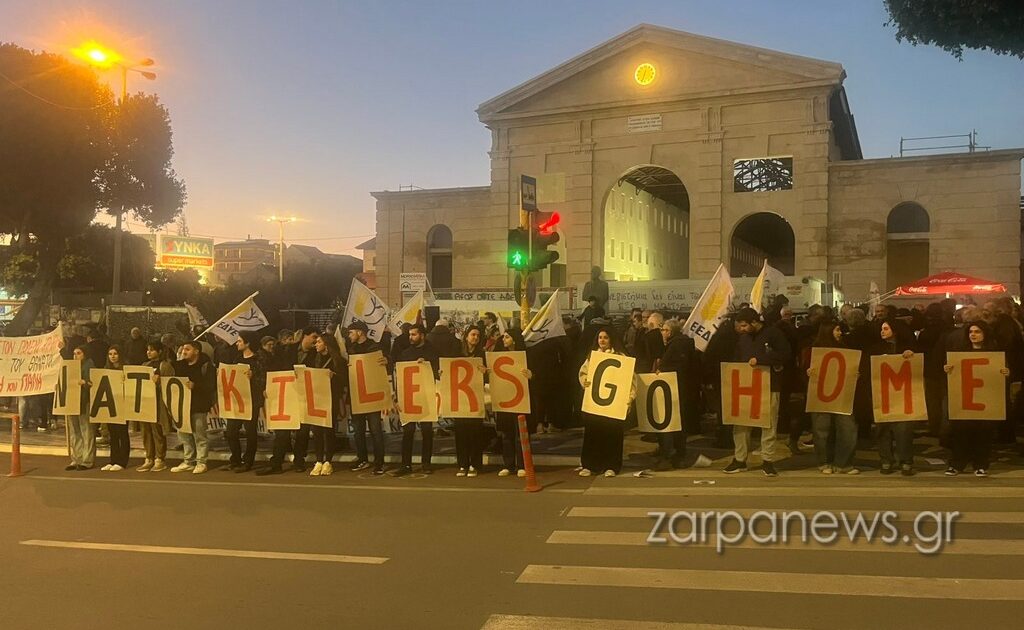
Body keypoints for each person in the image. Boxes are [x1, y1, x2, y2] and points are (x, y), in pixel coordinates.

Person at [723, 308, 791, 477]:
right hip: (746, 386)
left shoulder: (773, 333)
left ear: (754, 322)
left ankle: (767, 460)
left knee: (768, 424)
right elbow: (737, 358)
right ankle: (740, 459)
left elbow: (785, 354)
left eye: (745, 325)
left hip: (769, 385)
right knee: (740, 422)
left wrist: (760, 360)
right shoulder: (743, 339)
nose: (742, 329)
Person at [943, 321, 1007, 477]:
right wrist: (947, 369)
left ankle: (980, 464)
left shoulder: (994, 352)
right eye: (971, 331)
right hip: (965, 400)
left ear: (985, 334)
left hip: (986, 399)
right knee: (960, 433)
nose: (973, 334)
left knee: (983, 433)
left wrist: (1005, 372)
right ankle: (957, 464)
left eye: (977, 331)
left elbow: (1001, 372)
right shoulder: (960, 352)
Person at [258, 327, 319, 475]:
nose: (316, 341)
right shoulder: (285, 350)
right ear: (304, 336)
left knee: (302, 431)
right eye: (313, 337)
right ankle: (276, 463)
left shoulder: (316, 354)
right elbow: (272, 368)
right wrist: (267, 387)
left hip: (304, 396)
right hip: (285, 395)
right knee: (282, 431)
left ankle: (299, 461)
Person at [578, 326, 635, 477]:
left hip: (614, 405)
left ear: (611, 340)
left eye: (605, 337)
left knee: (612, 435)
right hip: (595, 404)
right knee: (592, 434)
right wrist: (585, 382)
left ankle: (611, 466)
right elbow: (583, 373)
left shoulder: (621, 356)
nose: (602, 340)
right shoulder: (592, 356)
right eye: (600, 338)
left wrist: (628, 399)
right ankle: (590, 465)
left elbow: (631, 380)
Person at [807, 320, 860, 475]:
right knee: (821, 430)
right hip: (820, 396)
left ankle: (844, 463)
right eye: (837, 330)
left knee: (848, 429)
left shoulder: (846, 349)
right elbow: (801, 371)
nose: (840, 333)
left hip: (842, 395)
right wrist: (808, 372)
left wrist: (855, 375)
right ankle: (824, 462)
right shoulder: (814, 351)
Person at [870, 319, 918, 476]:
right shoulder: (875, 348)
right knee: (883, 429)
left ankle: (906, 461)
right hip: (883, 395)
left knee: (903, 430)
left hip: (903, 396)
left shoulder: (907, 348)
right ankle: (886, 460)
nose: (882, 331)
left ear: (895, 330)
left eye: (886, 328)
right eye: (881, 329)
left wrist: (911, 356)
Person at [391, 324, 440, 477]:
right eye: (410, 334)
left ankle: (426, 463)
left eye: (414, 334)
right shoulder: (405, 353)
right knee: (408, 432)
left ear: (422, 335)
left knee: (427, 431)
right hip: (409, 398)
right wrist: (397, 397)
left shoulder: (432, 353)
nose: (410, 337)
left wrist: (426, 365)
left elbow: (438, 374)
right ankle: (406, 464)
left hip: (426, 396)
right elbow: (399, 376)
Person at [345, 322, 388, 475]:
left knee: (376, 431)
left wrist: (386, 361)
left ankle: (379, 462)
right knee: (358, 431)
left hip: (372, 397)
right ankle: (362, 459)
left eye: (351, 332)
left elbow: (382, 370)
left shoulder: (375, 347)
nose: (349, 336)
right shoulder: (350, 350)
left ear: (360, 332)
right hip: (357, 396)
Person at [654, 319, 697, 469]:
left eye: (664, 330)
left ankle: (674, 455)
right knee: (678, 423)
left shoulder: (677, 345)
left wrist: (663, 370)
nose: (662, 333)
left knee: (674, 424)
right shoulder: (681, 343)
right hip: (680, 389)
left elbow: (679, 365)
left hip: (675, 389)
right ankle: (677, 453)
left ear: (670, 332)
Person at [490, 329, 533, 477]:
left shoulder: (527, 356)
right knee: (506, 433)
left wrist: (531, 375)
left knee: (520, 434)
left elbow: (536, 376)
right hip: (505, 399)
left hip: (521, 400)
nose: (503, 339)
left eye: (507, 337)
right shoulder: (498, 355)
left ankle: (522, 464)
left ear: (514, 339)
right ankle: (508, 464)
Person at [171, 341, 216, 475]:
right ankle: (188, 461)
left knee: (199, 436)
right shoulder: (179, 366)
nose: (184, 352)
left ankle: (201, 462)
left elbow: (211, 386)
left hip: (199, 406)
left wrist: (195, 386)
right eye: (183, 349)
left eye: (187, 349)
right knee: (184, 435)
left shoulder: (206, 366)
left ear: (196, 351)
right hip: (182, 406)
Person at [227, 332, 266, 473]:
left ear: (248, 343)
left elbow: (264, 380)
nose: (237, 343)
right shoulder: (237, 359)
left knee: (250, 432)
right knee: (231, 431)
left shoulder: (258, 360)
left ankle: (248, 461)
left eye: (239, 341)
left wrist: (253, 377)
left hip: (251, 401)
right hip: (237, 401)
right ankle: (235, 459)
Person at [451, 326, 486, 477]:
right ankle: (462, 464)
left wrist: (485, 372)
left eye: (478, 335)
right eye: (473, 335)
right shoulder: (456, 353)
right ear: (466, 337)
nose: (475, 338)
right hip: (459, 398)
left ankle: (475, 464)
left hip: (475, 398)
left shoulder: (482, 355)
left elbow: (487, 378)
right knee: (460, 432)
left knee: (475, 432)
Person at [310, 333, 346, 477]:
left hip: (331, 399)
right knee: (317, 431)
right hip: (316, 399)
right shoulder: (315, 359)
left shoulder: (339, 361)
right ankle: (318, 460)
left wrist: (334, 376)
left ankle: (328, 461)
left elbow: (344, 381)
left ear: (326, 344)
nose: (316, 345)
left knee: (328, 431)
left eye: (318, 342)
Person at [138, 341, 174, 473]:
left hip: (158, 403)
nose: (148, 352)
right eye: (147, 350)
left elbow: (170, 385)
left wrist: (159, 382)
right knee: (146, 431)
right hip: (146, 403)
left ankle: (160, 458)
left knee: (157, 431)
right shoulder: (144, 365)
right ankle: (149, 457)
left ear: (159, 351)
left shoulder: (165, 366)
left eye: (152, 350)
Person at [65, 345, 96, 471]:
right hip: (72, 401)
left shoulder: (89, 365)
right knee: (74, 431)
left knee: (86, 431)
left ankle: (87, 460)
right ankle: (76, 458)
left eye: (78, 353)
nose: (75, 355)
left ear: (85, 354)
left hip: (84, 401)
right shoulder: (71, 367)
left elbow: (94, 382)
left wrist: (86, 383)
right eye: (74, 353)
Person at [101, 346, 130, 472]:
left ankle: (122, 461)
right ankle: (113, 459)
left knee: (122, 433)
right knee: (113, 433)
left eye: (115, 354)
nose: (112, 356)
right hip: (110, 405)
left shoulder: (126, 369)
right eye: (110, 354)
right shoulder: (106, 369)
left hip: (123, 405)